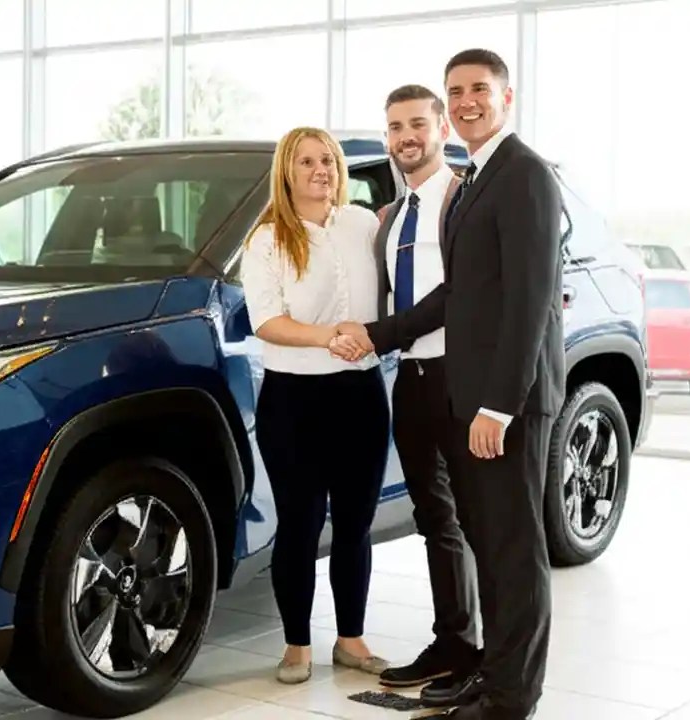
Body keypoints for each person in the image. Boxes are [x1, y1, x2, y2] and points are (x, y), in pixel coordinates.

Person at [335, 50, 564, 719]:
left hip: (502, 398)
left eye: (478, 90)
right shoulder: (481, 179)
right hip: (466, 389)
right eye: (456, 89)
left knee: (514, 552)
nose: (467, 101)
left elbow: (528, 299)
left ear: (506, 96)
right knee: (490, 545)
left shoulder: (523, 175)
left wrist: (497, 405)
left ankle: (512, 696)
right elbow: (468, 291)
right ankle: (490, 675)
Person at [331, 83, 483, 694]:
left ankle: (490, 657)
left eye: (417, 123)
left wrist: (375, 334)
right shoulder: (390, 219)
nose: (406, 137)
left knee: (478, 521)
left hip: (461, 378)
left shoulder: (464, 201)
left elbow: (456, 298)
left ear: (441, 127)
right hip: (412, 382)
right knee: (435, 518)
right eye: (395, 127)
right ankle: (453, 643)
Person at [239, 126, 392, 684]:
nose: (320, 170)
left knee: (356, 524)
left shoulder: (362, 223)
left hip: (361, 396)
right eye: (306, 162)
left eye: (327, 159)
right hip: (295, 400)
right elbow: (267, 322)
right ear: (287, 172)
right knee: (300, 527)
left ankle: (350, 641)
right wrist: (328, 336)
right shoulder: (267, 239)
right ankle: (296, 646)